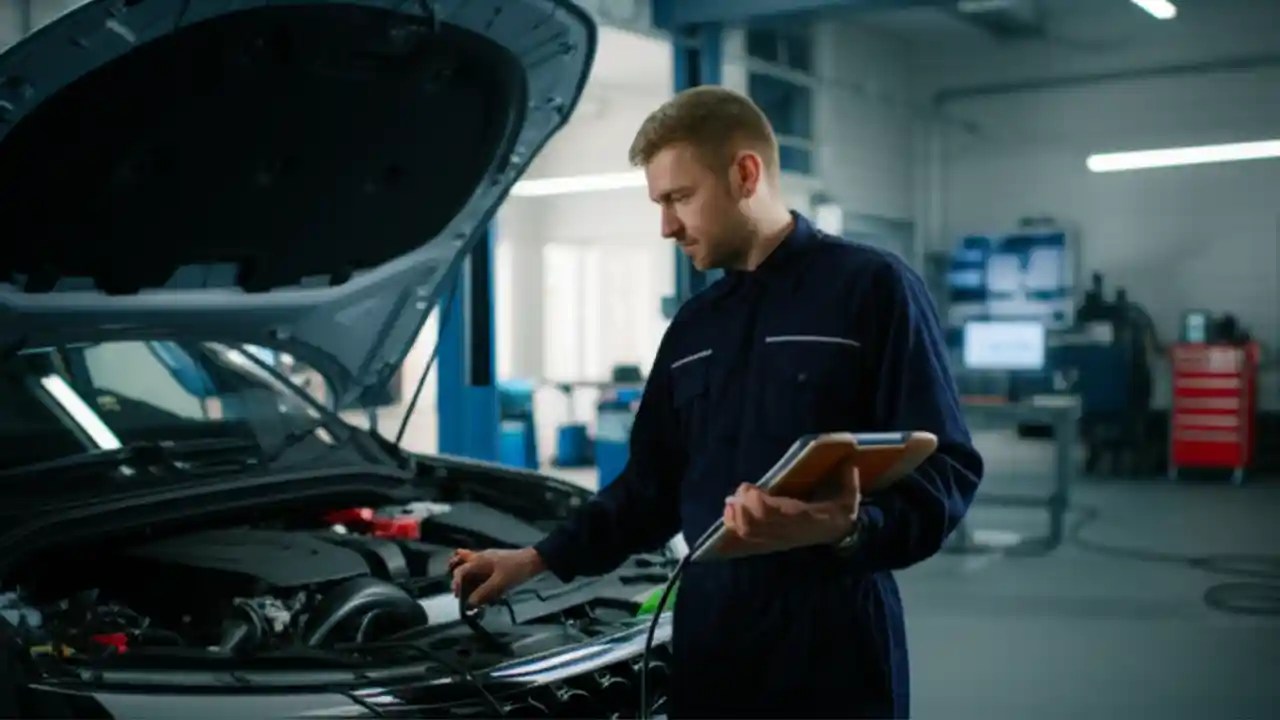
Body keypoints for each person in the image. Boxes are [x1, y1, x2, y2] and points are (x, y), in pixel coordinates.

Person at [449, 85, 984, 719]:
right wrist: (537, 559)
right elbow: (649, 488)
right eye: (659, 203)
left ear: (745, 173)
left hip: (833, 643)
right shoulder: (694, 327)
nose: (667, 227)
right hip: (712, 640)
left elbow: (946, 468)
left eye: (679, 198)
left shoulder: (873, 288)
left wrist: (849, 528)